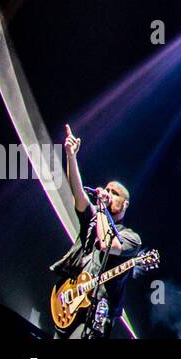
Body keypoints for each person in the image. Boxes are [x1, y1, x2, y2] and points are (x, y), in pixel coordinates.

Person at [51, 124, 142, 338]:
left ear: (125, 204)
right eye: (107, 189)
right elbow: (79, 194)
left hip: (96, 316)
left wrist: (101, 206)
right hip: (70, 301)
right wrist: (71, 157)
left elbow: (107, 244)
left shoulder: (132, 238)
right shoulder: (94, 219)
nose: (108, 193)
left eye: (115, 193)